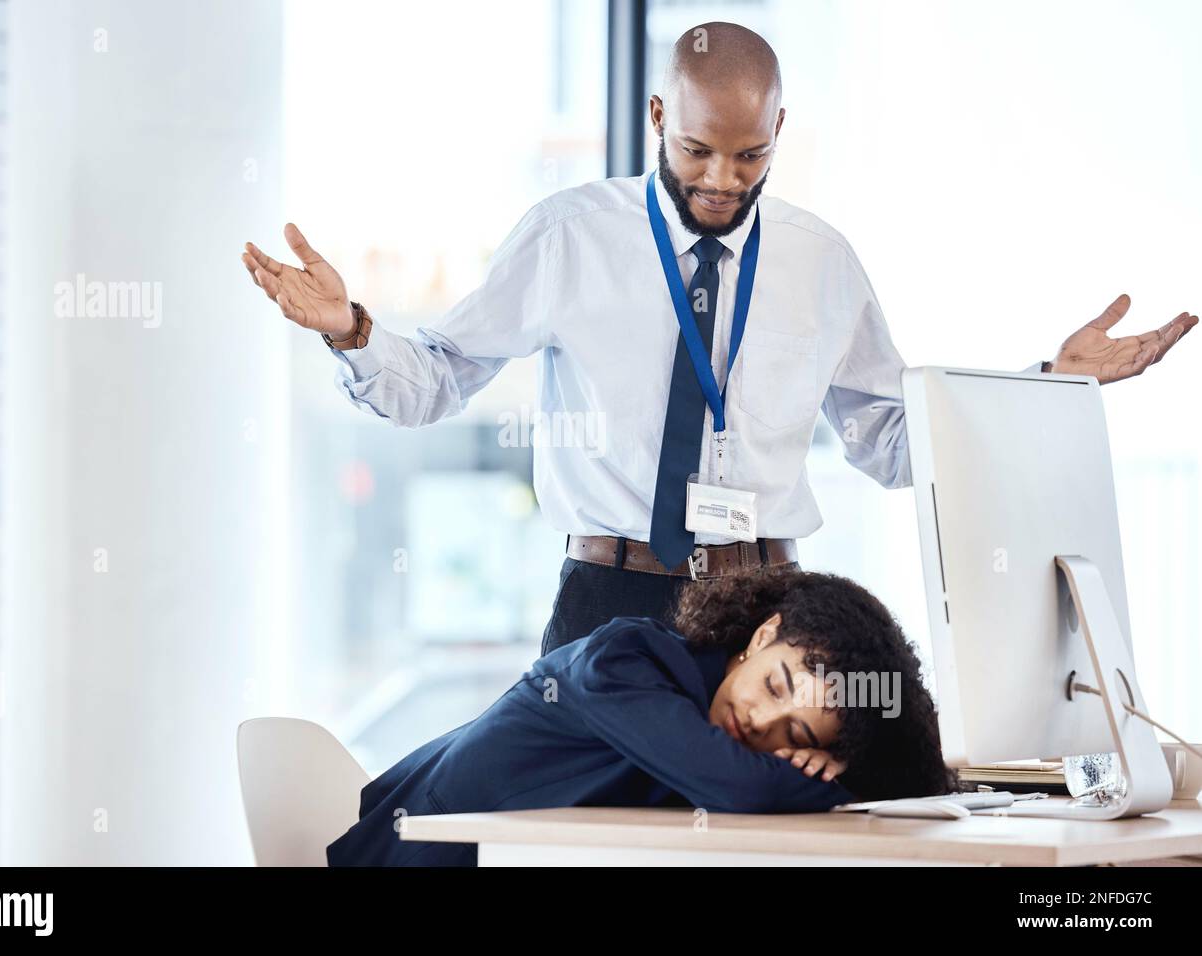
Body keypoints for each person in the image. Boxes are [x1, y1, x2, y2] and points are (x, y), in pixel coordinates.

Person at [242, 23, 1196, 658]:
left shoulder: (822, 264)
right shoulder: (572, 234)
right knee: (580, 836)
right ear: (658, 118)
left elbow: (893, 444)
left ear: (780, 130)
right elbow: (439, 381)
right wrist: (355, 331)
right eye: (698, 150)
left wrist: (1046, 384)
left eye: (750, 155)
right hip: (610, 597)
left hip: (769, 603)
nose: (722, 178)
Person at [325, 567, 958, 866]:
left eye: (793, 735)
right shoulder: (624, 659)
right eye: (775, 684)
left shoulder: (717, 750)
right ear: (763, 635)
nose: (760, 720)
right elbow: (744, 784)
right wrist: (827, 787)